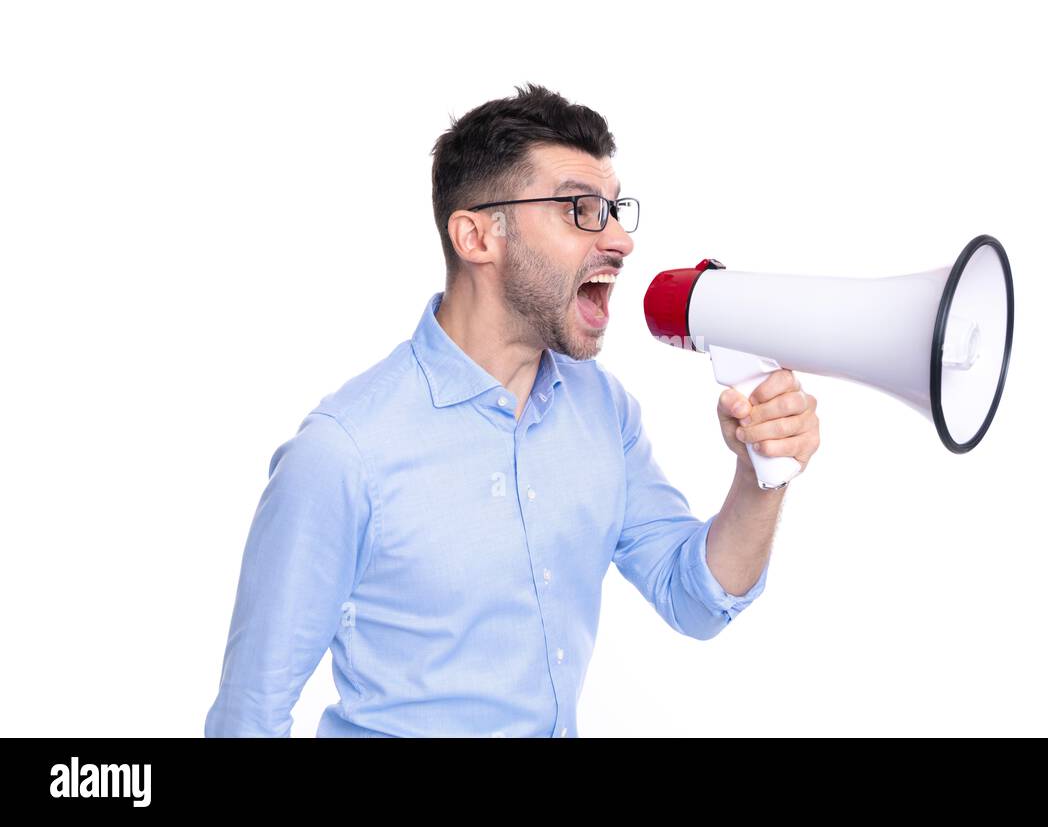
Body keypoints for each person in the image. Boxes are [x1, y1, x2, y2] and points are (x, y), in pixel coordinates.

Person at [203, 83, 821, 738]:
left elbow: (694, 598)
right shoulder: (344, 452)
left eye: (614, 209)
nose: (620, 239)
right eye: (579, 209)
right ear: (476, 236)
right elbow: (250, 716)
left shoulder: (601, 409)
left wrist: (762, 476)